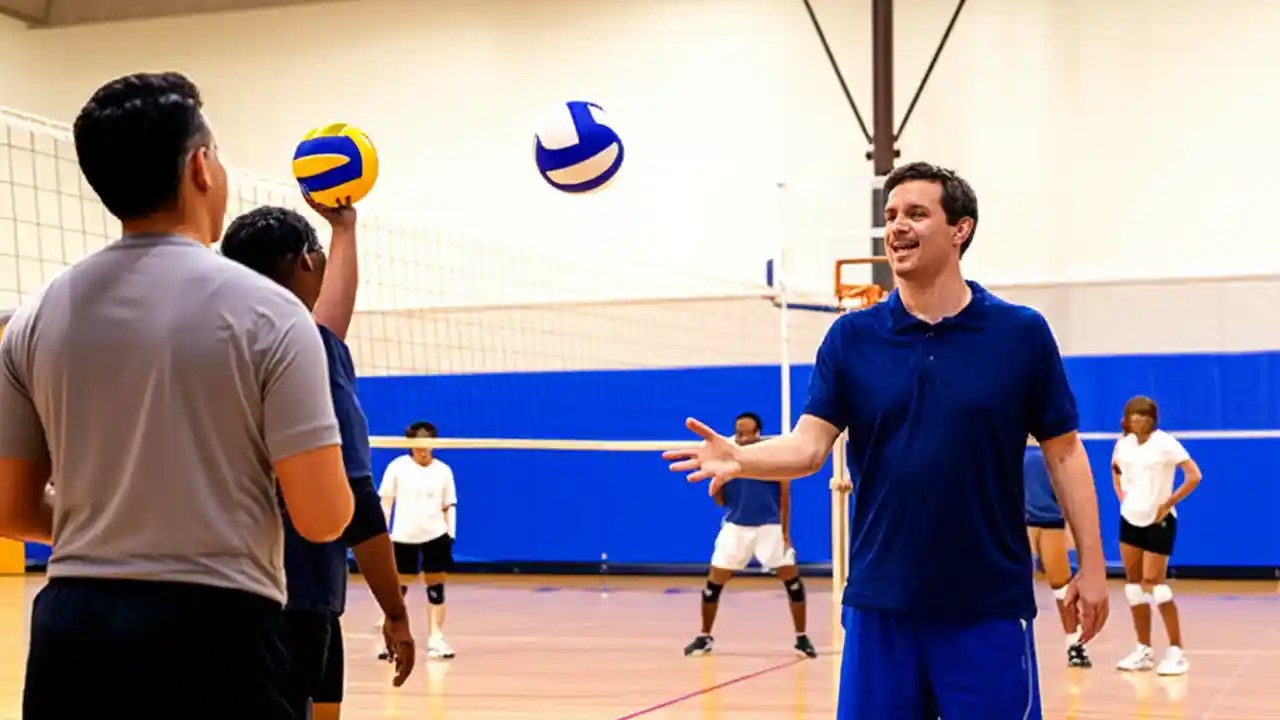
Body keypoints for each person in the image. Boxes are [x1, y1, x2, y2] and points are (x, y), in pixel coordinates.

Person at [664, 161, 1110, 719]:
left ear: (961, 229)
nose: (897, 226)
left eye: (917, 214)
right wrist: (741, 457)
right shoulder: (851, 338)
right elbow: (807, 447)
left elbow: (1064, 453)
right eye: (891, 214)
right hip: (880, 602)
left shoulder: (1020, 334)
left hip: (987, 604)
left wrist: (1093, 567)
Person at [0, 72, 354, 719]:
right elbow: (323, 517)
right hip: (217, 627)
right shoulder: (272, 314)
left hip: (73, 631)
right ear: (200, 168)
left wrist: (115, 525)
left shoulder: (34, 317)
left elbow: (11, 509)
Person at [220, 202, 416, 718]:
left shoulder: (220, 345)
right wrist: (396, 611)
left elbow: (326, 325)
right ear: (307, 262)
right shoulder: (311, 352)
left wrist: (342, 229)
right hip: (295, 599)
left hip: (222, 592)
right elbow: (360, 506)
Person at [683, 412, 817, 660]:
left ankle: (801, 637)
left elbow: (784, 497)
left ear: (758, 433)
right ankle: (704, 636)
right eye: (739, 433)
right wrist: (715, 483)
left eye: (747, 433)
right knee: (712, 586)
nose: (742, 438)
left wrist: (785, 532)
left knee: (793, 582)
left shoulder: (772, 458)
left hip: (770, 527)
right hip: (736, 527)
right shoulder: (727, 457)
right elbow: (721, 501)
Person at [1111, 395, 1200, 676]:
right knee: (1133, 585)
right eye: (1133, 414)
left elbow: (1194, 475)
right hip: (1130, 519)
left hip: (1159, 520)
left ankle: (1176, 651)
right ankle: (1143, 649)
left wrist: (1169, 502)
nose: (1137, 419)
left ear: (1152, 418)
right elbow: (1116, 470)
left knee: (1154, 583)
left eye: (1143, 415)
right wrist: (1122, 497)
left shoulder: (1165, 443)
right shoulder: (1123, 445)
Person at [379, 421, 458, 660]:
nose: (423, 450)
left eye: (427, 444)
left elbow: (449, 505)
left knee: (436, 588)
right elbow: (386, 502)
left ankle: (436, 638)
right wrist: (382, 533)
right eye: (418, 445)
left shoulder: (443, 471)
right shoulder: (397, 467)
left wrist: (450, 533)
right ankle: (390, 640)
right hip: (404, 537)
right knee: (397, 592)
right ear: (410, 445)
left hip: (436, 536)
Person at [1024, 440, 1092, 668]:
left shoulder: (1055, 448)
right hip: (1024, 521)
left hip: (1050, 522)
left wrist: (1071, 528)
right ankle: (1015, 643)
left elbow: (1070, 491)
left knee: (1061, 586)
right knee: (1018, 584)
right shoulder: (1011, 444)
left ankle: (1075, 643)